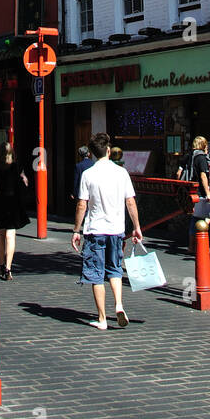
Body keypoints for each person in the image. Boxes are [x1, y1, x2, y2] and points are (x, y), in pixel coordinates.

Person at [71, 131, 143, 331]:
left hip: (95, 230)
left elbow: (81, 205)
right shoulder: (121, 173)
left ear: (93, 153)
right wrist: (136, 227)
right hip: (116, 229)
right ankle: (119, 304)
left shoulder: (88, 174)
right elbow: (130, 202)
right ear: (109, 151)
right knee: (115, 269)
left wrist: (77, 230)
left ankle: (102, 318)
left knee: (96, 274)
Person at [0, 141, 30, 279]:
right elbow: (25, 181)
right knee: (11, 235)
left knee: (0, 235)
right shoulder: (16, 167)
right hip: (13, 202)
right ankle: (8, 268)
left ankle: (1, 264)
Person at [187, 136, 210, 253]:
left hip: (193, 190)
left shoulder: (191, 156)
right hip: (201, 192)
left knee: (195, 218)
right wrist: (208, 193)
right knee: (208, 215)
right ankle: (199, 245)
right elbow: (203, 175)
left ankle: (192, 246)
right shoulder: (201, 158)